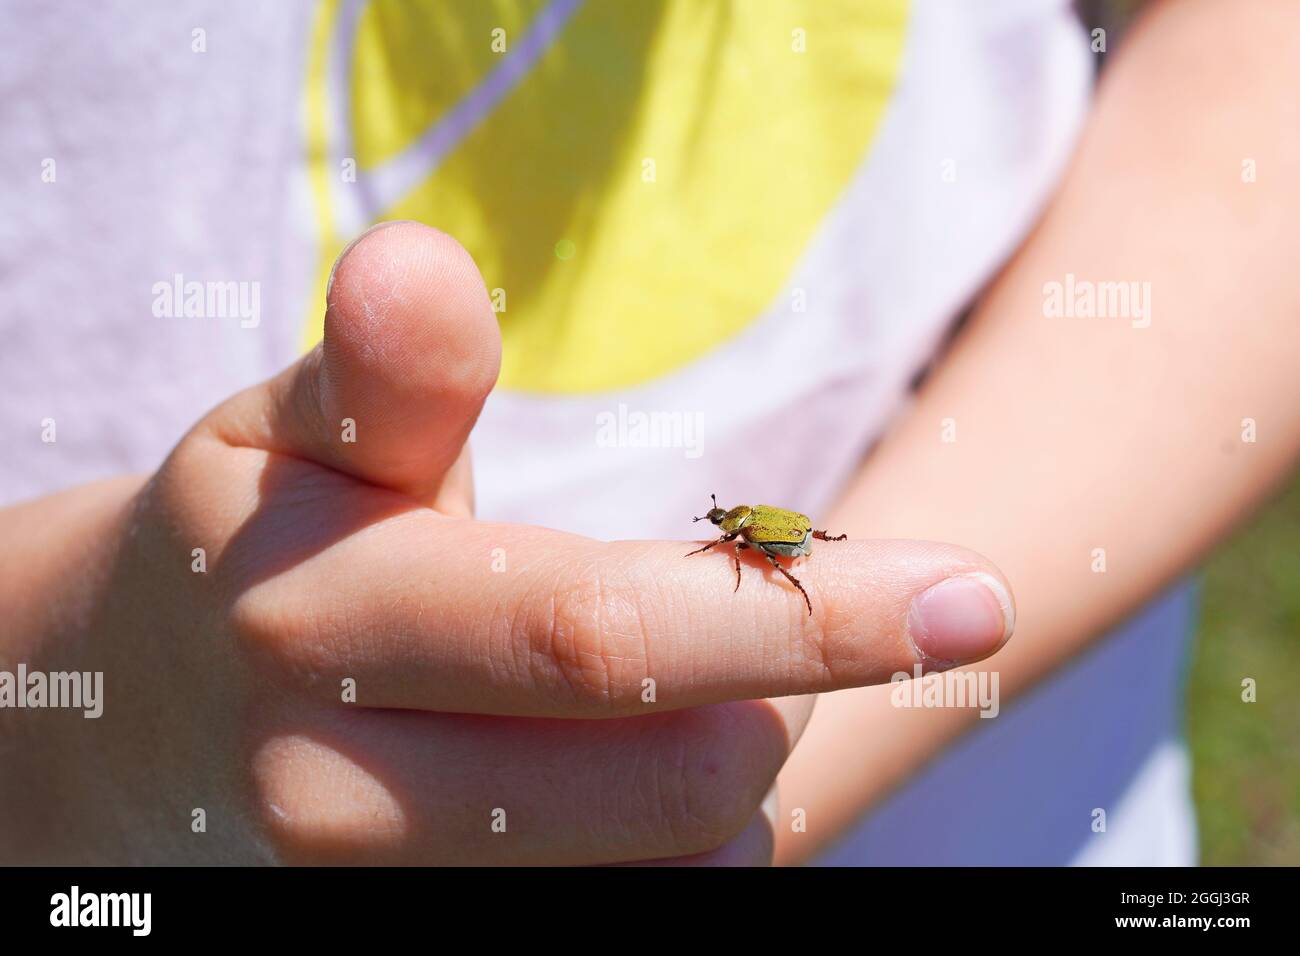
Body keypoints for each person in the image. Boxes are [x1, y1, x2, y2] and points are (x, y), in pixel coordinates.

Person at [1, 0, 1297, 865]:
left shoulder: (762, 552)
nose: (727, 538)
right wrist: (71, 701)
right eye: (732, 535)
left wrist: (757, 764)